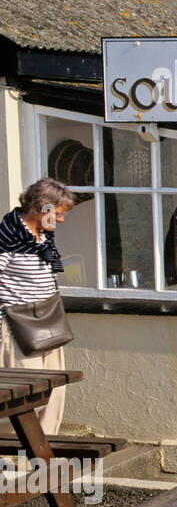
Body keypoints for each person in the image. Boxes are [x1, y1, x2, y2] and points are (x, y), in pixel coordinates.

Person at [0, 179, 77, 438]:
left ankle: (44, 447)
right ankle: (13, 451)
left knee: (55, 389)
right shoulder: (6, 237)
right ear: (40, 208)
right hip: (18, 325)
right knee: (22, 395)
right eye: (59, 213)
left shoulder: (44, 235)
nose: (62, 220)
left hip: (49, 319)